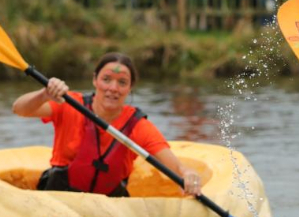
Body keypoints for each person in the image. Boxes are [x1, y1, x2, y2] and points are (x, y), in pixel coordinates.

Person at [12, 53, 201, 197]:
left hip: (109, 206)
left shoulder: (137, 125)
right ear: (95, 80)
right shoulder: (69, 104)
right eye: (106, 79)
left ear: (130, 88)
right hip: (60, 197)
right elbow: (19, 109)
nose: (113, 88)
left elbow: (174, 166)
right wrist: (44, 94)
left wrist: (188, 173)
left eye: (122, 82)